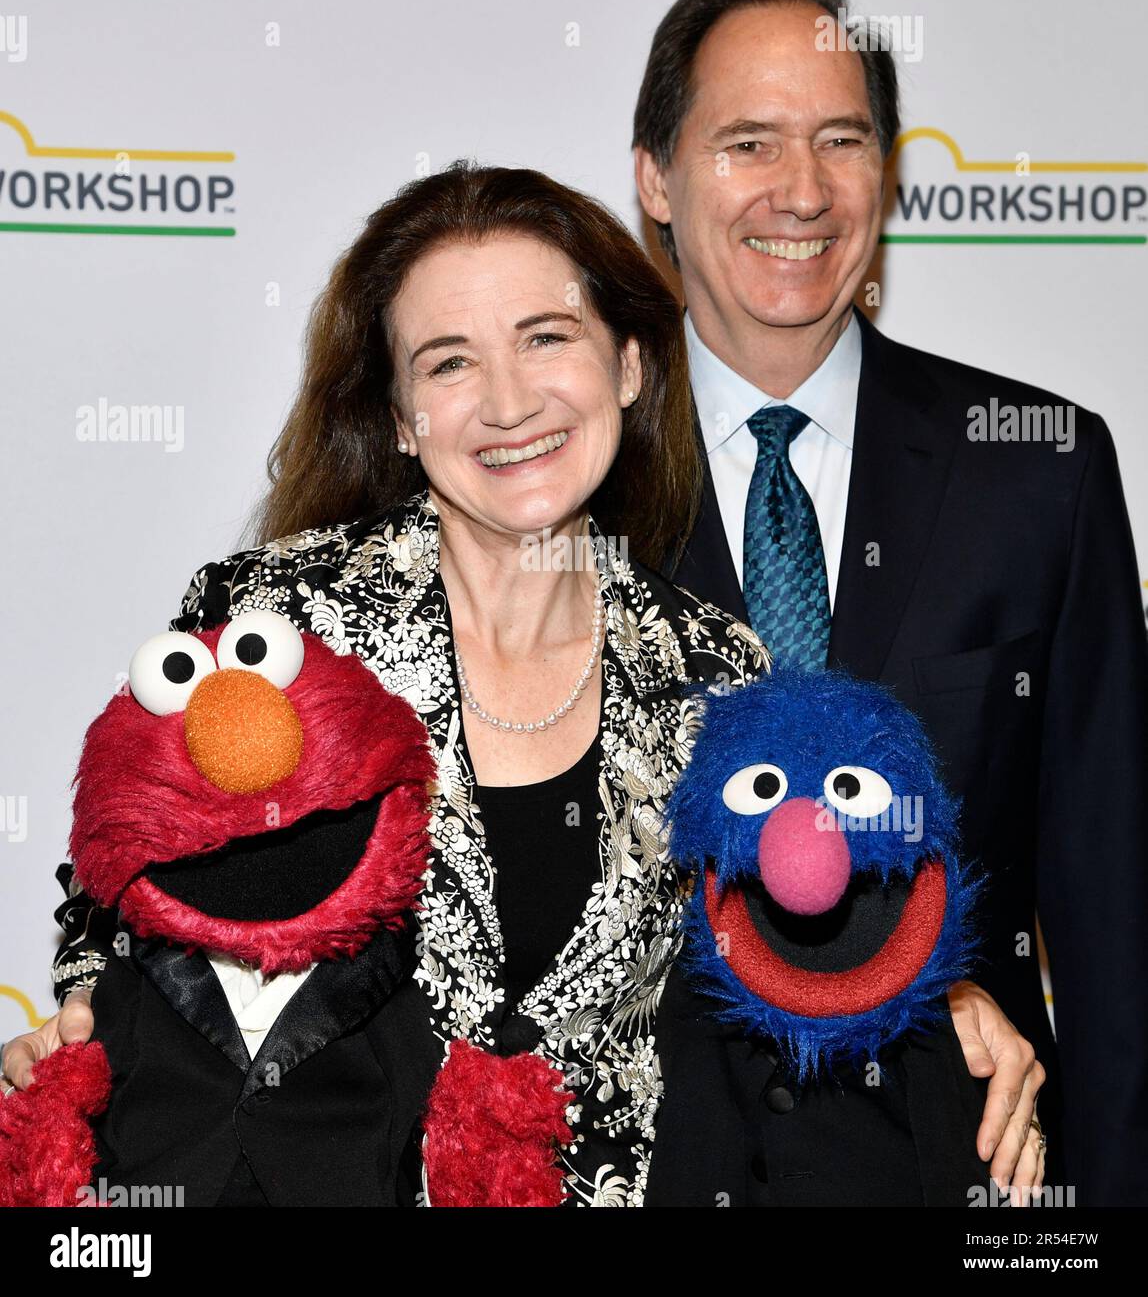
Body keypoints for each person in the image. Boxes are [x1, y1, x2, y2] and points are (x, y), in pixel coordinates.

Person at [4, 163, 1041, 1207]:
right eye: (448, 362)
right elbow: (129, 882)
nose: (508, 402)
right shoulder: (280, 629)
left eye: (545, 338)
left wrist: (933, 997)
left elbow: (791, 941)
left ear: (630, 365)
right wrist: (85, 1027)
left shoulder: (716, 674)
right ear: (402, 417)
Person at [632, 0, 1148, 1205]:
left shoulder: (1039, 472)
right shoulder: (558, 488)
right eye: (745, 142)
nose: (799, 191)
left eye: (841, 140)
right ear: (653, 177)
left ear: (887, 172)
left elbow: (1113, 919)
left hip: (960, 1176)